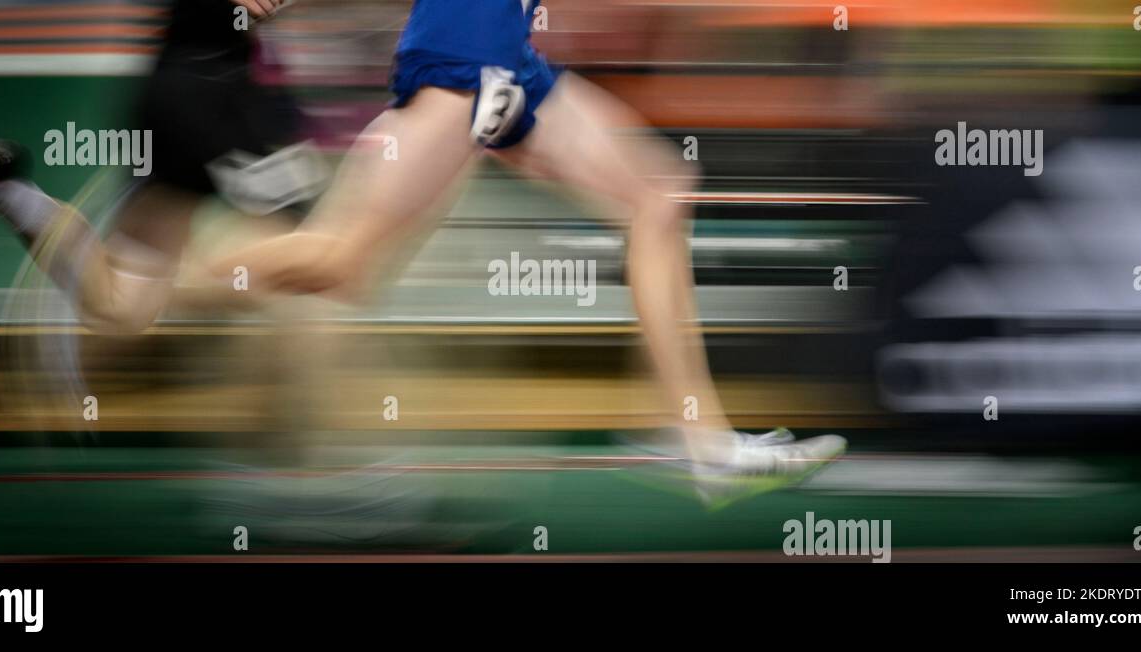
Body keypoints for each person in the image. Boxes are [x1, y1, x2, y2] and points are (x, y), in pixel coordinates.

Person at [205, 0, 847, 487]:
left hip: (512, 59)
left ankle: (698, 437)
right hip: (464, 54)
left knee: (657, 194)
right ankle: (154, 281)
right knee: (342, 265)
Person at [0, 0, 306, 333]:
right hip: (212, 102)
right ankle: (300, 428)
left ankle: (2, 189)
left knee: (121, 307)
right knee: (309, 264)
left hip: (180, 95)